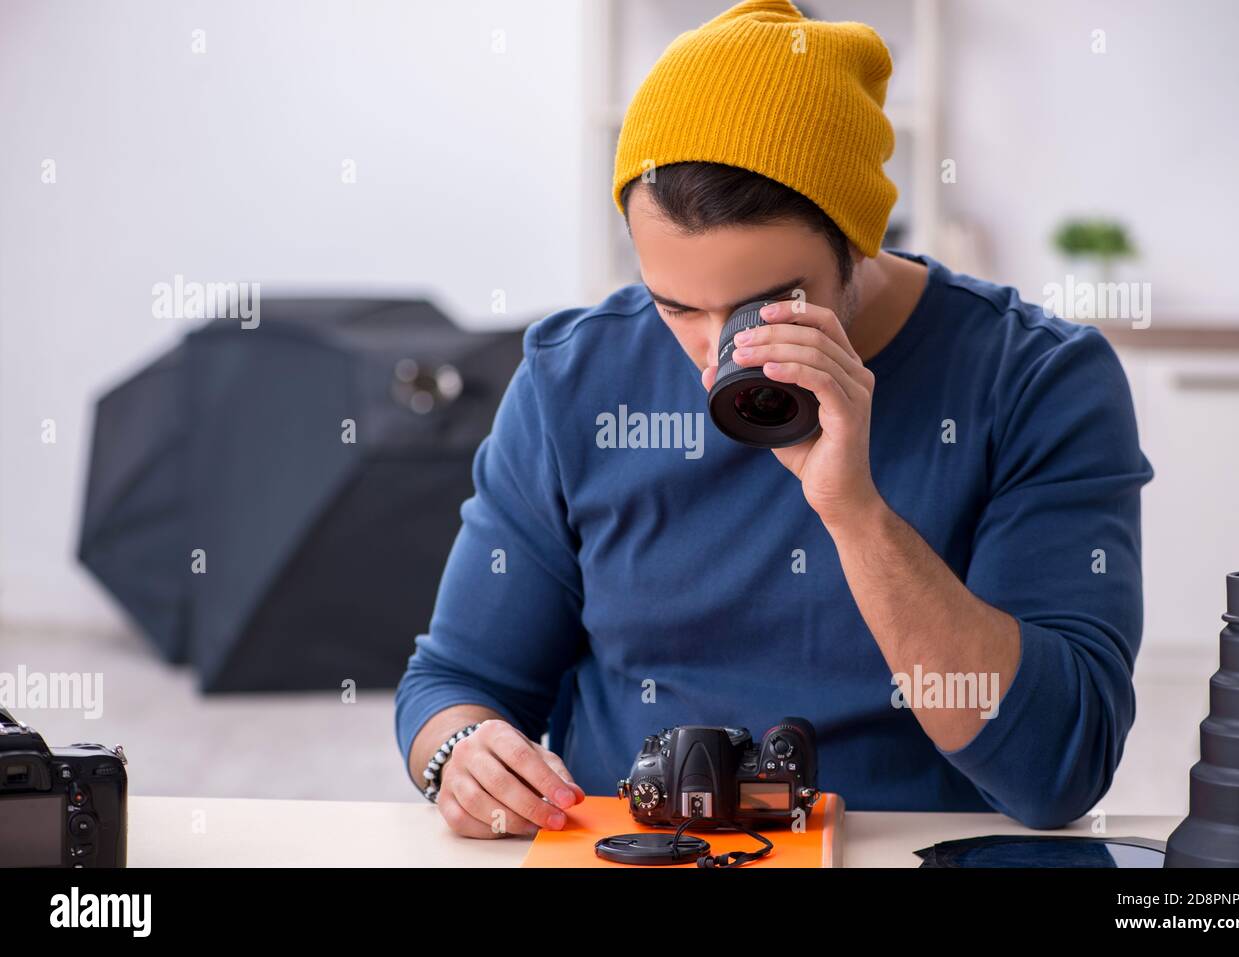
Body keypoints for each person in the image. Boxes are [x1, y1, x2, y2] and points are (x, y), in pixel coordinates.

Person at [395, 0, 1154, 839]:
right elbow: (455, 680)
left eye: (767, 304)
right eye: (676, 304)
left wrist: (856, 514)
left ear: (860, 244)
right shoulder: (573, 377)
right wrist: (462, 752)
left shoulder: (1038, 381)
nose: (720, 351)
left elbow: (1058, 767)